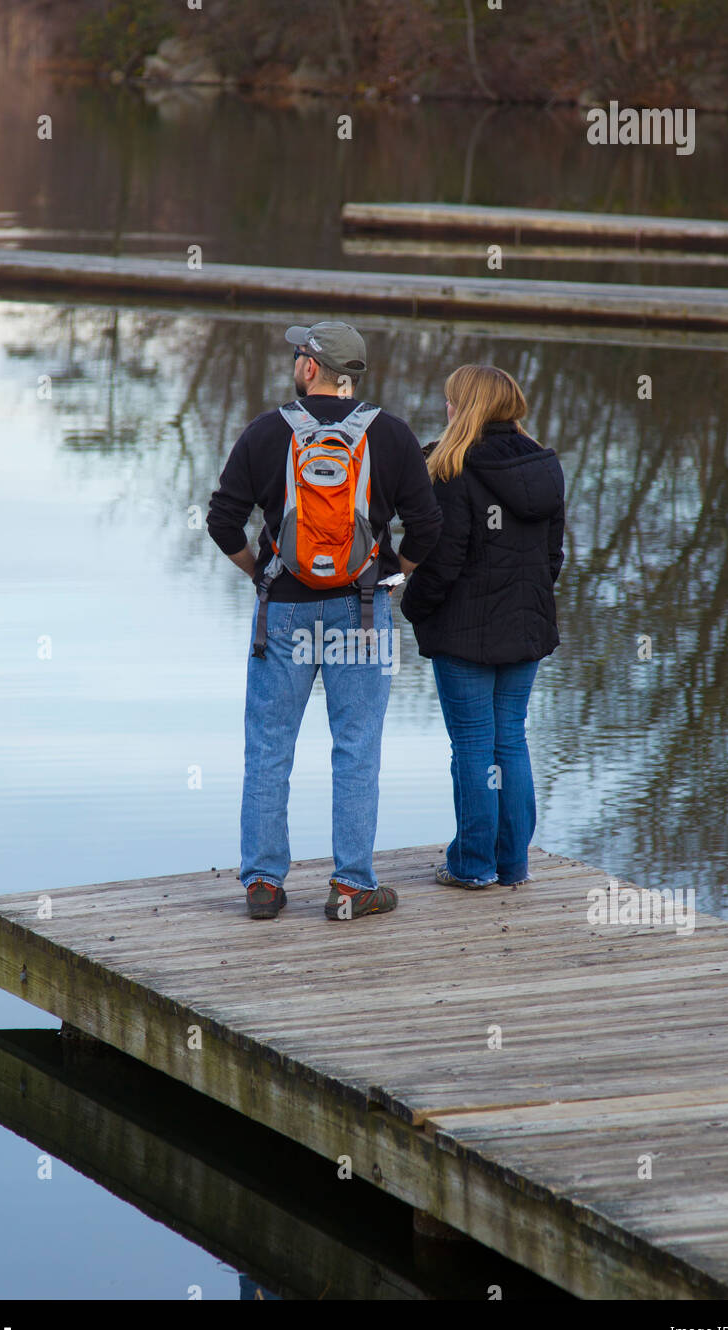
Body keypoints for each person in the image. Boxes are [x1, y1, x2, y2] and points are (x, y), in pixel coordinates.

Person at [207, 321, 443, 920]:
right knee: (357, 748)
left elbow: (222, 519)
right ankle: (351, 886)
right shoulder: (389, 435)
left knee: (268, 748)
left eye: (297, 355)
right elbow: (429, 525)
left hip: (281, 611)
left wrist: (260, 574)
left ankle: (263, 883)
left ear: (310, 368)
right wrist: (391, 576)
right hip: (361, 611)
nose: (293, 363)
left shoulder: (266, 432)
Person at [400, 364, 565, 889]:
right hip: (525, 630)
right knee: (510, 740)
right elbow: (552, 556)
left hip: (464, 635)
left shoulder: (452, 469)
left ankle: (472, 865)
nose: (446, 408)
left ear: (465, 407)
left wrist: (414, 608)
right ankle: (511, 864)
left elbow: (442, 562)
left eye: (451, 400)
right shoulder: (545, 466)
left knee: (473, 745)